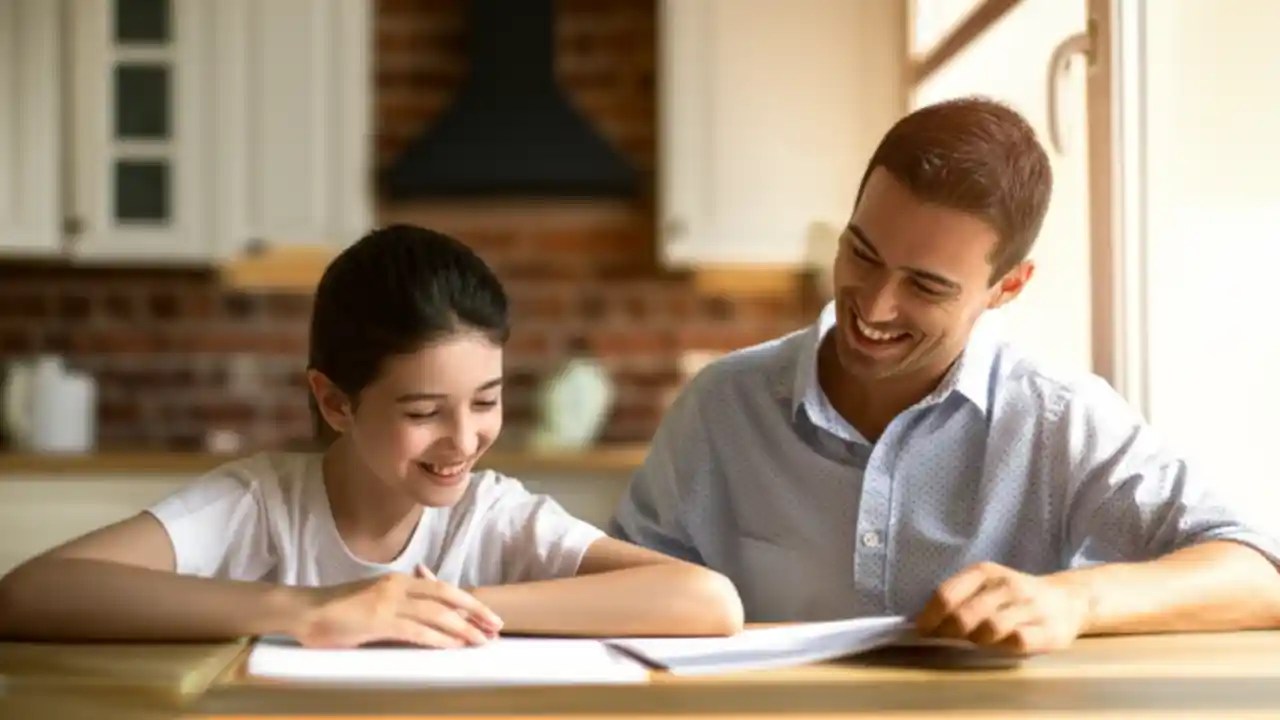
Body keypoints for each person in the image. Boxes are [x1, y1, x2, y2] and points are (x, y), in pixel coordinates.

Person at [610, 97, 1280, 654]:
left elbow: (1261, 575)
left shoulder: (1058, 419)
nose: (873, 307)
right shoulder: (722, 406)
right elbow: (618, 593)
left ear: (1008, 286)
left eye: (926, 287)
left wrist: (1072, 600)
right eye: (862, 255)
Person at [0, 225, 743, 647]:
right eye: (423, 412)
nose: (464, 439)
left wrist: (445, 606)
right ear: (334, 401)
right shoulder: (259, 505)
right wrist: (307, 610)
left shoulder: (495, 516)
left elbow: (709, 602)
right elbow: (28, 594)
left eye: (486, 400)